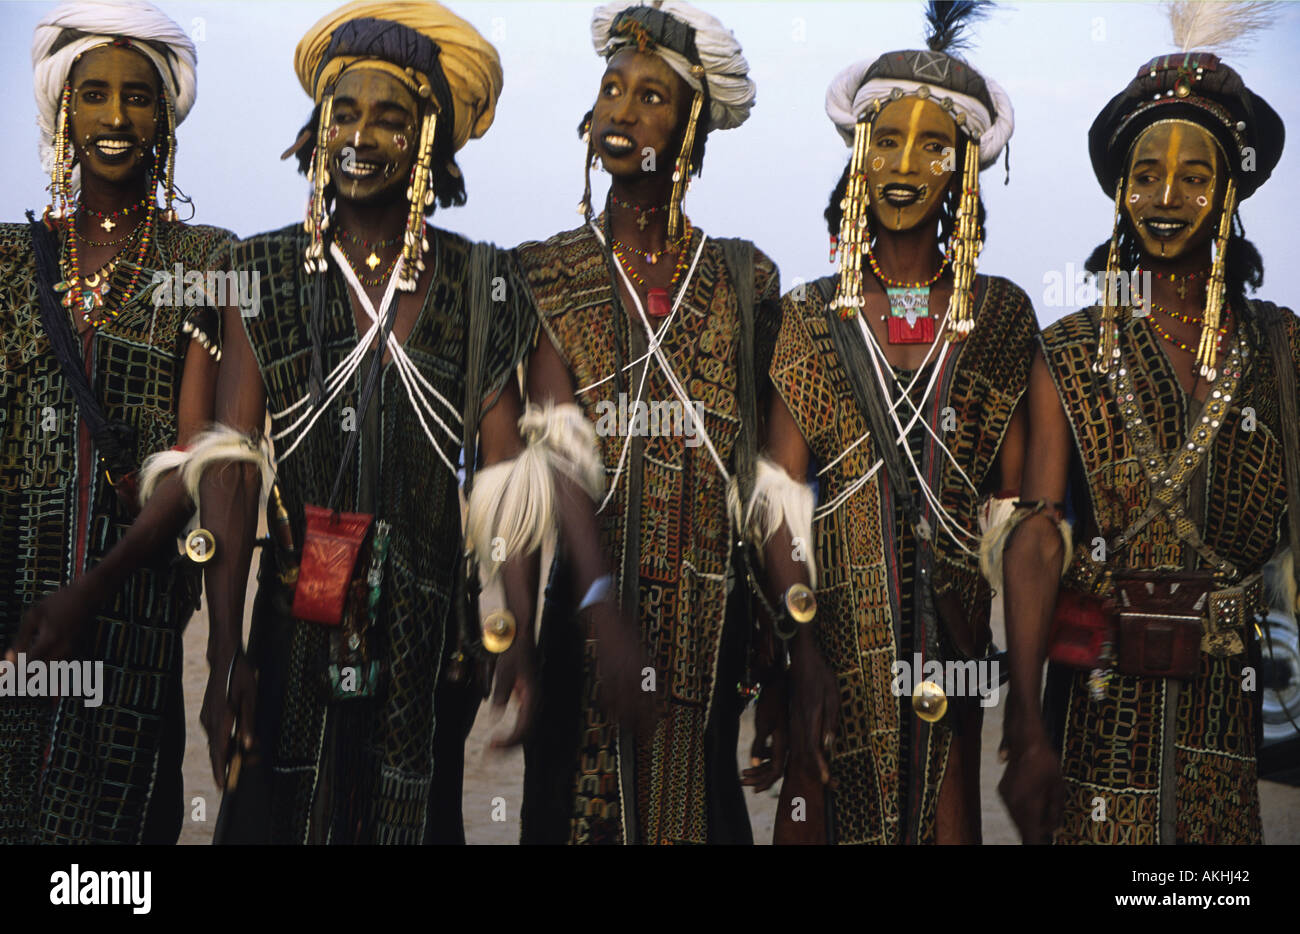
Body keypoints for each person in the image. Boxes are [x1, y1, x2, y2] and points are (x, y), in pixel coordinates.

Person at [194, 0, 537, 844]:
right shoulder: (258, 272)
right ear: (316, 128)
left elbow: (504, 479)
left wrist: (517, 630)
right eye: (343, 112)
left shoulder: (478, 280)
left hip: (428, 643)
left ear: (428, 140)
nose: (360, 135)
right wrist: (222, 655)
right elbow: (234, 471)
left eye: (391, 118)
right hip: (289, 625)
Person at [993, 4, 1296, 844]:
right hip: (1098, 706)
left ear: (1229, 192)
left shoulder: (1280, 348)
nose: (1166, 197)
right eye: (1145, 173)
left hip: (1223, 712)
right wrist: (1024, 722)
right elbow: (1040, 534)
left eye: (1196, 176)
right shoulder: (1071, 348)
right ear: (1120, 189)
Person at [749, 1, 1036, 844]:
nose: (905, 163)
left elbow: (1012, 516)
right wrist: (800, 658)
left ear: (965, 171)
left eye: (934, 144)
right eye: (887, 140)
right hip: (829, 651)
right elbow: (780, 500)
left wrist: (1015, 689)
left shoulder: (1000, 317)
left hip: (948, 660)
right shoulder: (809, 314)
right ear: (859, 156)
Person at [515, 0, 781, 845]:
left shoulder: (746, 280)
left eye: (652, 98)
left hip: (718, 632)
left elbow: (769, 478)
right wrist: (603, 615)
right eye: (611, 90)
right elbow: (560, 458)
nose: (622, 112)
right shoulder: (547, 272)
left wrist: (780, 655)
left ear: (693, 130)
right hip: (586, 623)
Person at [0, 0, 233, 844]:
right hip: (13, 609)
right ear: (62, 108)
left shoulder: (206, 261)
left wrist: (91, 588)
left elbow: (195, 456)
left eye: (138, 97)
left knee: (117, 844)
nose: (114, 116)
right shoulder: (8, 260)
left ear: (165, 116)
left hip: (130, 613)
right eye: (92, 93)